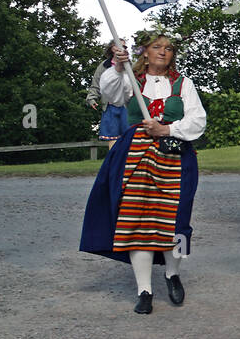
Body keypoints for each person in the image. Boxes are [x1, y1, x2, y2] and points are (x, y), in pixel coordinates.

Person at [79, 30, 207, 312]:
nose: (163, 51)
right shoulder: (130, 81)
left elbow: (198, 121)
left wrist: (167, 128)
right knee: (138, 220)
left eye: (169, 48)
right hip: (137, 157)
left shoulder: (184, 84)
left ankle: (174, 273)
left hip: (177, 157)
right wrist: (117, 65)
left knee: (180, 219)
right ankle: (144, 289)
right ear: (145, 52)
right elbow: (110, 94)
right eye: (157, 47)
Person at [87, 41, 129, 151]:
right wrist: (92, 98)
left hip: (127, 106)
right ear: (111, 48)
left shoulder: (130, 65)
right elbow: (96, 84)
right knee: (112, 137)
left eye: (123, 46)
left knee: (129, 135)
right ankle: (113, 162)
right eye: (117, 44)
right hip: (110, 106)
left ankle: (128, 162)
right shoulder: (104, 66)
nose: (120, 47)